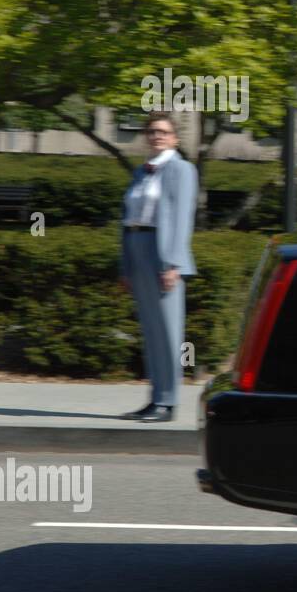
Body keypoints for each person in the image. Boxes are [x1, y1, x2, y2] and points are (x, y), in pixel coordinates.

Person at [118, 112, 198, 423]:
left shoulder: (181, 169)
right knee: (151, 331)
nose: (156, 136)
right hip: (137, 249)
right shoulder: (141, 172)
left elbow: (181, 219)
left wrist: (173, 263)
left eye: (163, 131)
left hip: (162, 253)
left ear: (174, 138)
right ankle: (155, 398)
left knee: (168, 331)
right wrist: (125, 265)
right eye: (151, 131)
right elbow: (127, 219)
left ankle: (168, 401)